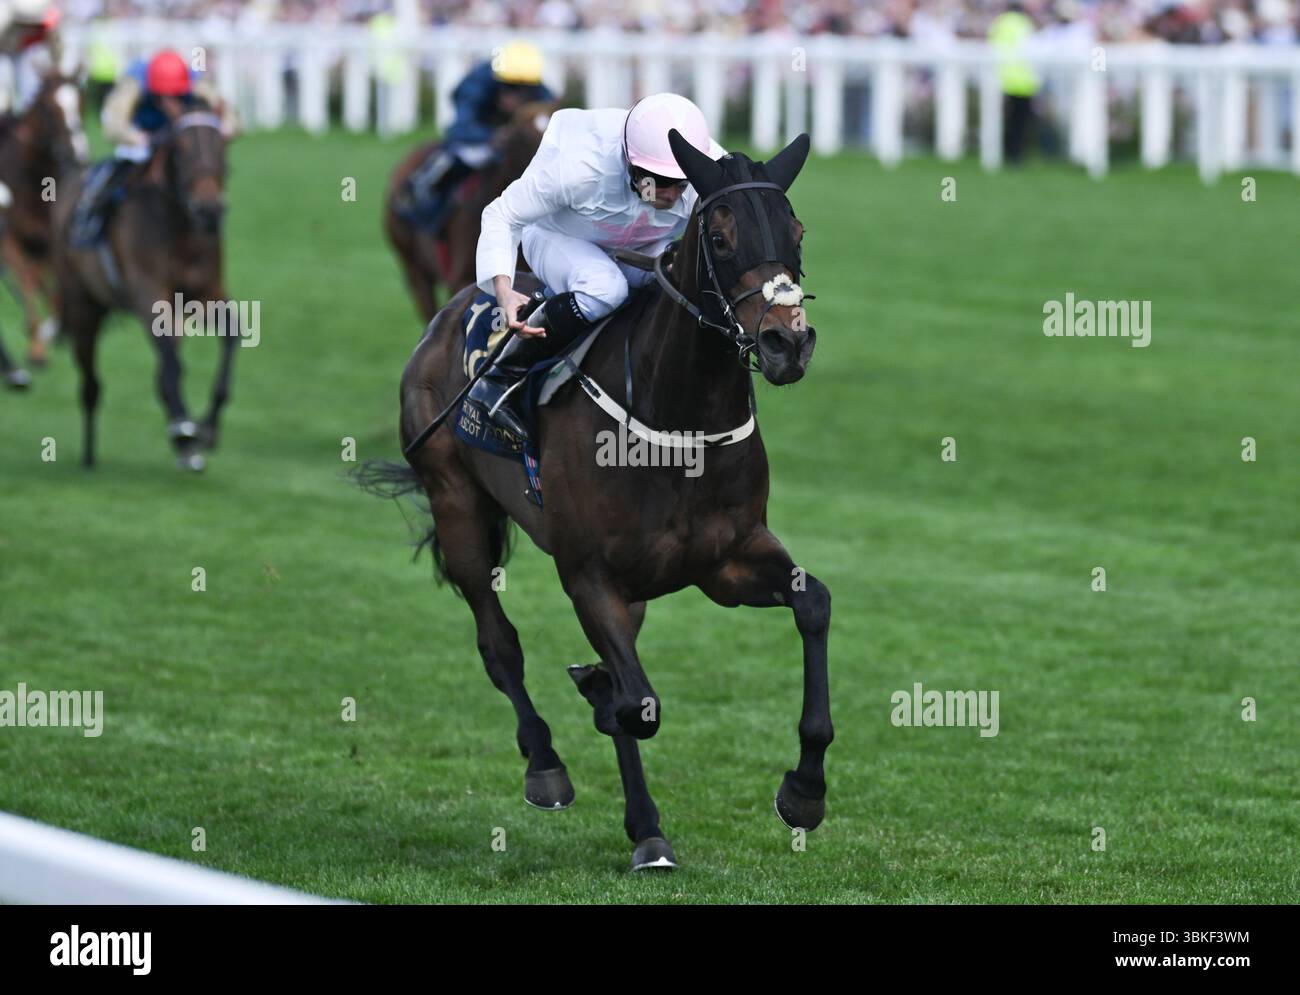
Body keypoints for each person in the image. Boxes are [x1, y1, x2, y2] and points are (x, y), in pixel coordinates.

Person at [468, 92, 726, 437]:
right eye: (660, 182)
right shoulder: (578, 169)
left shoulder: (708, 166)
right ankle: (500, 377)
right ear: (630, 164)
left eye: (682, 183)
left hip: (642, 242)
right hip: (558, 235)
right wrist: (504, 290)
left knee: (683, 280)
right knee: (606, 287)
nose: (673, 194)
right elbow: (503, 214)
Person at [72, 49, 236, 244]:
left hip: (178, 137)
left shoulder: (196, 82)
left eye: (177, 96)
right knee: (116, 169)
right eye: (164, 97)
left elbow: (229, 116)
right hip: (140, 135)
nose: (171, 102)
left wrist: (226, 127)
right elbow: (114, 126)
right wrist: (139, 138)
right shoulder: (134, 83)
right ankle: (88, 212)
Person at [397, 40, 553, 231]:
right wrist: (492, 137)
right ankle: (422, 194)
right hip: (481, 134)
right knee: (464, 155)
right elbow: (460, 128)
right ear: (498, 81)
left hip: (513, 140)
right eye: (510, 87)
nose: (517, 96)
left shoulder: (541, 92)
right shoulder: (477, 84)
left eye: (525, 90)